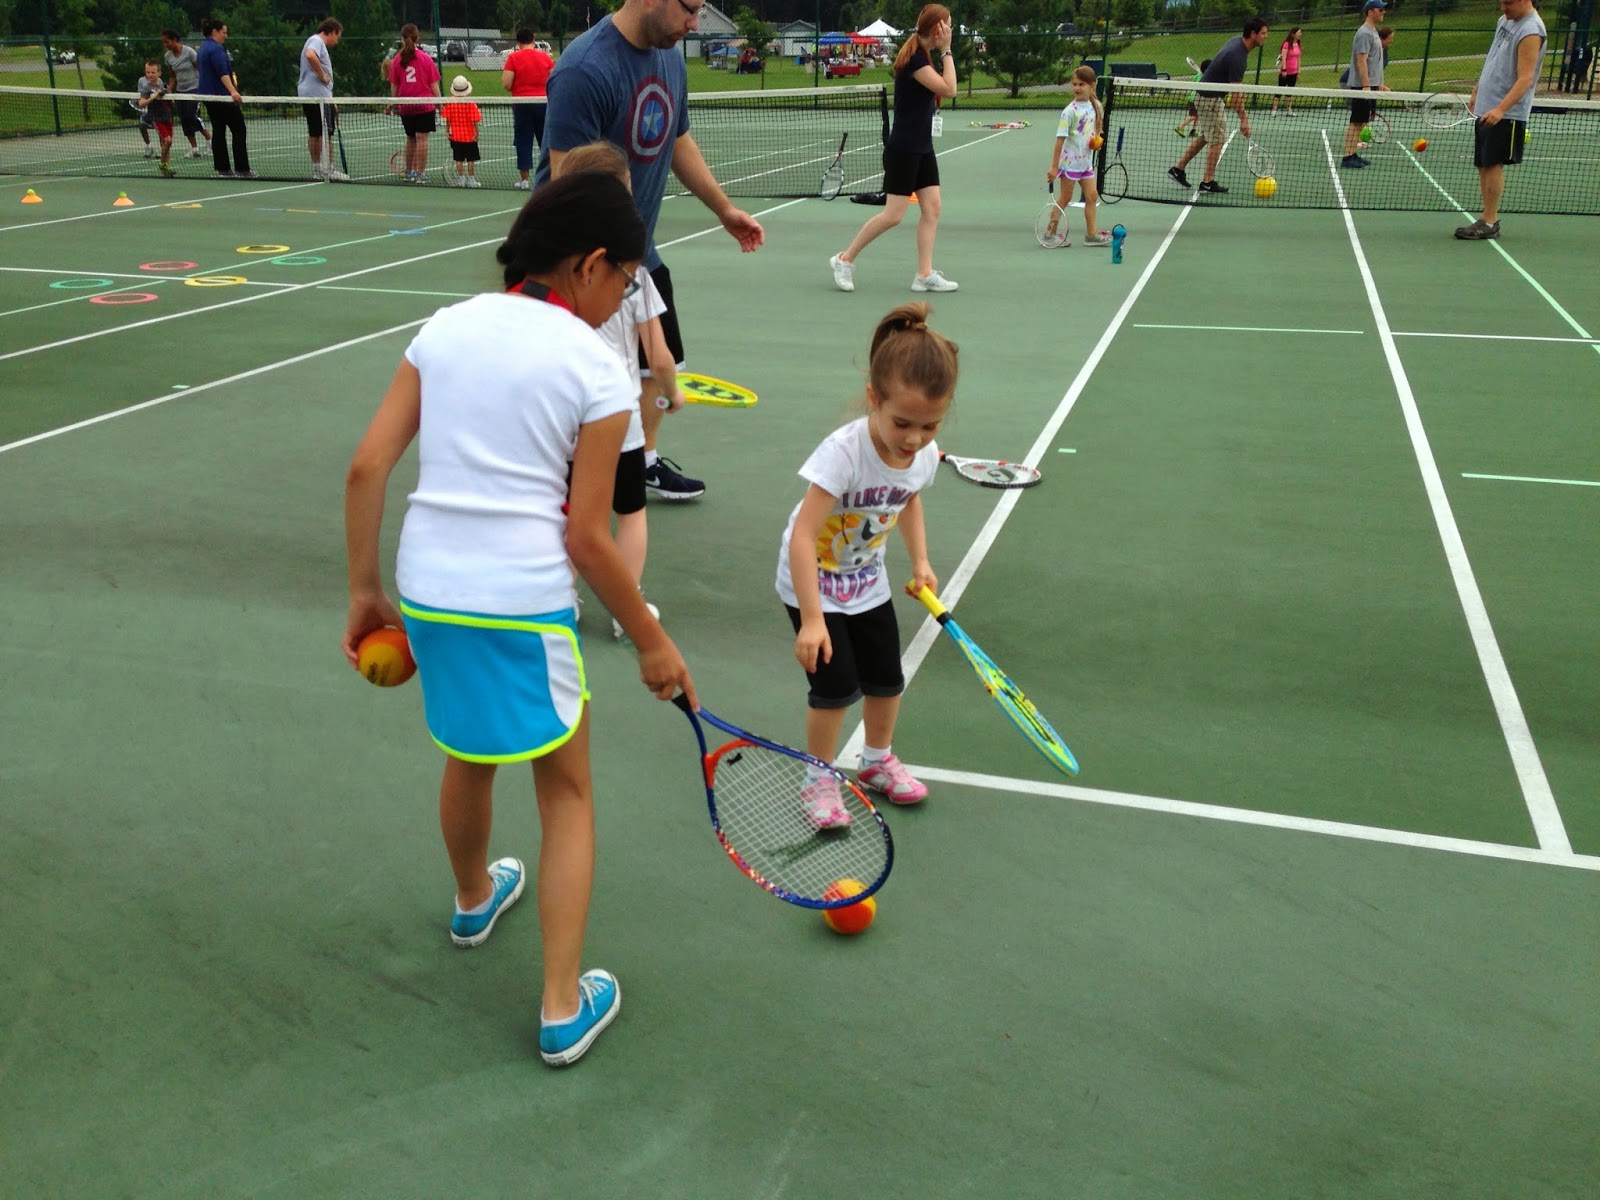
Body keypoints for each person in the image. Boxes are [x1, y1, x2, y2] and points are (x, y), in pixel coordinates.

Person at [342, 171, 696, 1068]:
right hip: (522, 603)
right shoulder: (597, 368)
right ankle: (560, 1005)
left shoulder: (444, 326)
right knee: (566, 791)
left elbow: (366, 468)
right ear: (588, 265)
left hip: (427, 589)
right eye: (625, 280)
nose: (626, 297)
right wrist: (652, 641)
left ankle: (472, 900)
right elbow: (586, 536)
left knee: (468, 751)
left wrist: (364, 592)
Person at [535, 0, 767, 504]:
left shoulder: (671, 57)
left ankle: (641, 461)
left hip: (634, 245)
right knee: (570, 371)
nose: (694, 23)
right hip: (574, 252)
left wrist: (723, 209)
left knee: (659, 359)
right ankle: (558, 470)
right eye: (690, 8)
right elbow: (565, 183)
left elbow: (678, 139)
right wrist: (599, 267)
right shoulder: (583, 69)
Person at [777, 303, 955, 824]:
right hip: (812, 581)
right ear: (874, 399)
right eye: (902, 422)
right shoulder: (845, 452)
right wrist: (812, 618)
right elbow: (804, 534)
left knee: (885, 677)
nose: (914, 438)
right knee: (834, 689)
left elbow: (910, 498)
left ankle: (876, 762)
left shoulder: (922, 453)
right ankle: (818, 779)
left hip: (866, 581)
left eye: (929, 425)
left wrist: (920, 559)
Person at [553, 140, 687, 639]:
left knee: (566, 512)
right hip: (620, 423)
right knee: (629, 515)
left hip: (563, 420)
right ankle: (624, 610)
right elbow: (659, 355)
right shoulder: (636, 274)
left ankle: (560, 599)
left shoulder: (553, 269)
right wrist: (671, 394)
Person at [829, 4, 960, 295]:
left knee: (933, 208)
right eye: (948, 26)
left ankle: (924, 275)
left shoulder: (922, 55)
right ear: (938, 29)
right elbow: (949, 89)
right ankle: (843, 259)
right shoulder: (915, 60)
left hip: (922, 147)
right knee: (893, 215)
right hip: (903, 149)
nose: (950, 31)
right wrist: (947, 50)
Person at [1458, 0, 1548, 239]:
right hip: (1488, 106)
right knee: (1484, 163)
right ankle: (1485, 217)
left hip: (1506, 113)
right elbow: (1493, 58)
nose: (1502, 8)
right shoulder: (1505, 21)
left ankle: (1489, 221)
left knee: (1493, 163)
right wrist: (1478, 89)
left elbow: (1525, 78)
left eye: (1508, 2)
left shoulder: (1531, 31)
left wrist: (1500, 109)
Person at [1168, 17, 1270, 195]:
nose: (1265, 36)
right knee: (1218, 139)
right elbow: (1237, 94)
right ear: (1253, 34)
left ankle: (1178, 169)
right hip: (1208, 98)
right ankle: (1207, 182)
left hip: (1210, 96)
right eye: (1263, 33)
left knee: (1209, 136)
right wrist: (1244, 120)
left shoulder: (1237, 41)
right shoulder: (1238, 57)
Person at [1041, 66, 1109, 248]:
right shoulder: (1069, 111)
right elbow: (1059, 141)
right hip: (1069, 164)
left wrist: (1097, 140)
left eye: (1082, 84)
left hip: (1085, 163)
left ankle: (1092, 235)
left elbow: (1096, 131)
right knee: (1065, 198)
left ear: (1092, 86)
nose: (1077, 88)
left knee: (1092, 196)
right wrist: (1054, 167)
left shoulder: (1097, 106)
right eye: (1075, 84)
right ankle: (1049, 234)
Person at [196, 18, 252, 179]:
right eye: (223, 32)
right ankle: (242, 169)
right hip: (222, 97)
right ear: (214, 31)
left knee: (219, 130)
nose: (225, 36)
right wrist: (233, 92)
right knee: (239, 129)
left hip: (208, 96)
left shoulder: (203, 48)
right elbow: (222, 73)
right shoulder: (216, 49)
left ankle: (223, 169)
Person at [502, 27, 555, 191]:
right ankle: (551, 178)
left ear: (518, 43)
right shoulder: (545, 57)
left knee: (523, 141)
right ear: (534, 39)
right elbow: (554, 79)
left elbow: (506, 83)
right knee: (545, 140)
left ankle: (524, 180)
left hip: (522, 105)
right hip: (543, 104)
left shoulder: (513, 58)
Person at [388, 24, 442, 184]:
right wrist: (440, 103)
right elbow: (433, 85)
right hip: (424, 105)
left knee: (411, 138)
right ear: (417, 39)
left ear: (402, 39)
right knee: (422, 139)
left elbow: (394, 87)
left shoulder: (397, 60)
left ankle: (409, 172)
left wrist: (394, 104)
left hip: (406, 106)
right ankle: (420, 174)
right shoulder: (425, 58)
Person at [1340, 0, 1389, 170]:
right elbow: (1361, 61)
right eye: (1380, 9)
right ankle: (1347, 157)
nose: (1383, 12)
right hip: (1362, 87)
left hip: (1371, 86)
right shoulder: (1364, 33)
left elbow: (1375, 61)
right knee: (1356, 122)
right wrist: (1367, 86)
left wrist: (1379, 84)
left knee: (1361, 122)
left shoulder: (1373, 31)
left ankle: (1353, 154)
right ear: (1370, 12)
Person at [298, 17, 349, 182]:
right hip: (318, 97)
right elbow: (310, 55)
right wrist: (323, 76)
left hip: (311, 95)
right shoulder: (316, 41)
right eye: (338, 36)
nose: (337, 40)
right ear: (332, 32)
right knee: (325, 134)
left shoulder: (312, 40)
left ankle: (318, 169)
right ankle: (328, 169)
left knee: (315, 133)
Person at [161, 29, 212, 158]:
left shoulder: (189, 52)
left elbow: (200, 68)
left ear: (174, 40)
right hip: (180, 91)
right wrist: (170, 89)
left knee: (192, 116)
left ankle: (209, 141)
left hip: (195, 89)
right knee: (184, 119)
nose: (165, 45)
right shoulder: (168, 56)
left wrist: (205, 86)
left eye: (167, 42)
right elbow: (172, 76)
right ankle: (194, 148)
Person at [136, 60, 176, 177]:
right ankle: (163, 164)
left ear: (159, 73)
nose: (149, 75)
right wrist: (152, 97)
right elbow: (141, 103)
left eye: (152, 72)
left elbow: (167, 97)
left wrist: (169, 97)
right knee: (168, 140)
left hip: (167, 116)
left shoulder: (161, 83)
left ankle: (166, 167)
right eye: (147, 72)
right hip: (156, 117)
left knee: (166, 144)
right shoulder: (145, 86)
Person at [442, 75, 482, 187]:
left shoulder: (450, 102)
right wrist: (477, 134)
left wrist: (447, 131)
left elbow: (448, 120)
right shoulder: (471, 103)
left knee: (458, 159)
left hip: (456, 136)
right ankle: (471, 180)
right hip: (469, 137)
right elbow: (475, 121)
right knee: (470, 160)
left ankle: (460, 180)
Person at [1175, 58, 1210, 137]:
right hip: (1194, 99)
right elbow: (1198, 86)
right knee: (1193, 116)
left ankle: (1193, 131)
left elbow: (1193, 83)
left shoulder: (1200, 75)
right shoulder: (1202, 77)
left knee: (1198, 115)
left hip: (1197, 98)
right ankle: (1180, 127)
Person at [1272, 27, 1303, 114]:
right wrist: (1284, 70)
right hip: (1285, 72)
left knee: (1289, 92)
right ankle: (1274, 110)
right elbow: (1284, 57)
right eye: (1298, 32)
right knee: (1279, 91)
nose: (1300, 34)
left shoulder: (1298, 45)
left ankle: (1289, 110)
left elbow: (1298, 58)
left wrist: (1298, 71)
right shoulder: (1286, 44)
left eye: (1300, 32)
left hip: (1294, 72)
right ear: (1293, 34)